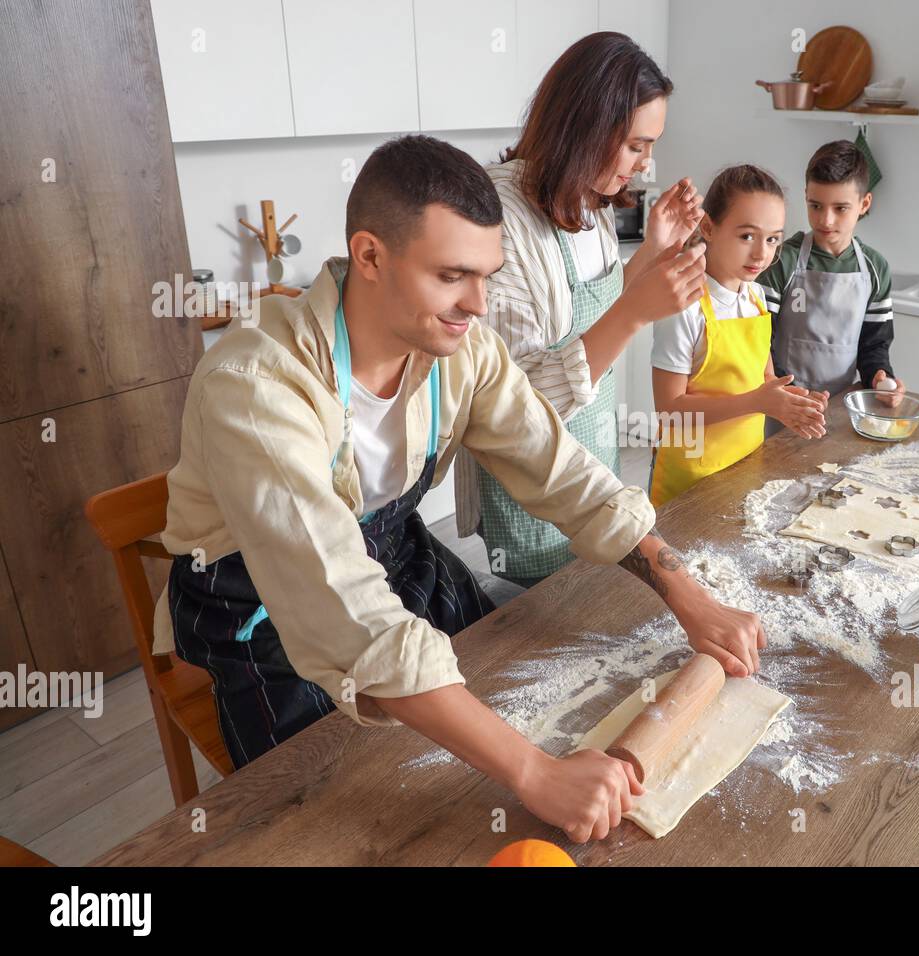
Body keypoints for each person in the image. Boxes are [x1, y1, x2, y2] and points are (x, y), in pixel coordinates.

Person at [157, 135, 764, 843]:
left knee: (521, 700)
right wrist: (535, 775)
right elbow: (342, 609)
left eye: (487, 275)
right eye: (452, 276)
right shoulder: (257, 384)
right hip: (257, 608)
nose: (478, 304)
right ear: (370, 255)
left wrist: (687, 593)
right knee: (355, 820)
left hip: (391, 554)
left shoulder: (460, 348)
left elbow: (560, 470)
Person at [456, 32, 706, 588]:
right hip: (535, 493)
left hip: (591, 464)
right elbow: (514, 411)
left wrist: (653, 251)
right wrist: (636, 314)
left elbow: (593, 313)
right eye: (637, 145)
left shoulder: (589, 200)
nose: (645, 165)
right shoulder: (501, 220)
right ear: (588, 127)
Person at [648, 165, 825, 506]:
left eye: (773, 238)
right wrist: (758, 402)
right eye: (747, 236)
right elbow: (669, 410)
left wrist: (792, 403)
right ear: (708, 227)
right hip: (690, 480)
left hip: (745, 464)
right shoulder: (684, 305)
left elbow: (765, 378)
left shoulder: (756, 298)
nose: (762, 253)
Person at [758, 140, 905, 427]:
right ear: (805, 196)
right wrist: (790, 393)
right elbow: (759, 340)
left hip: (841, 408)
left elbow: (874, 344)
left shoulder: (875, 268)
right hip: (783, 405)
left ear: (864, 204)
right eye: (816, 205)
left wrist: (880, 376)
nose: (826, 219)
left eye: (840, 208)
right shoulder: (781, 261)